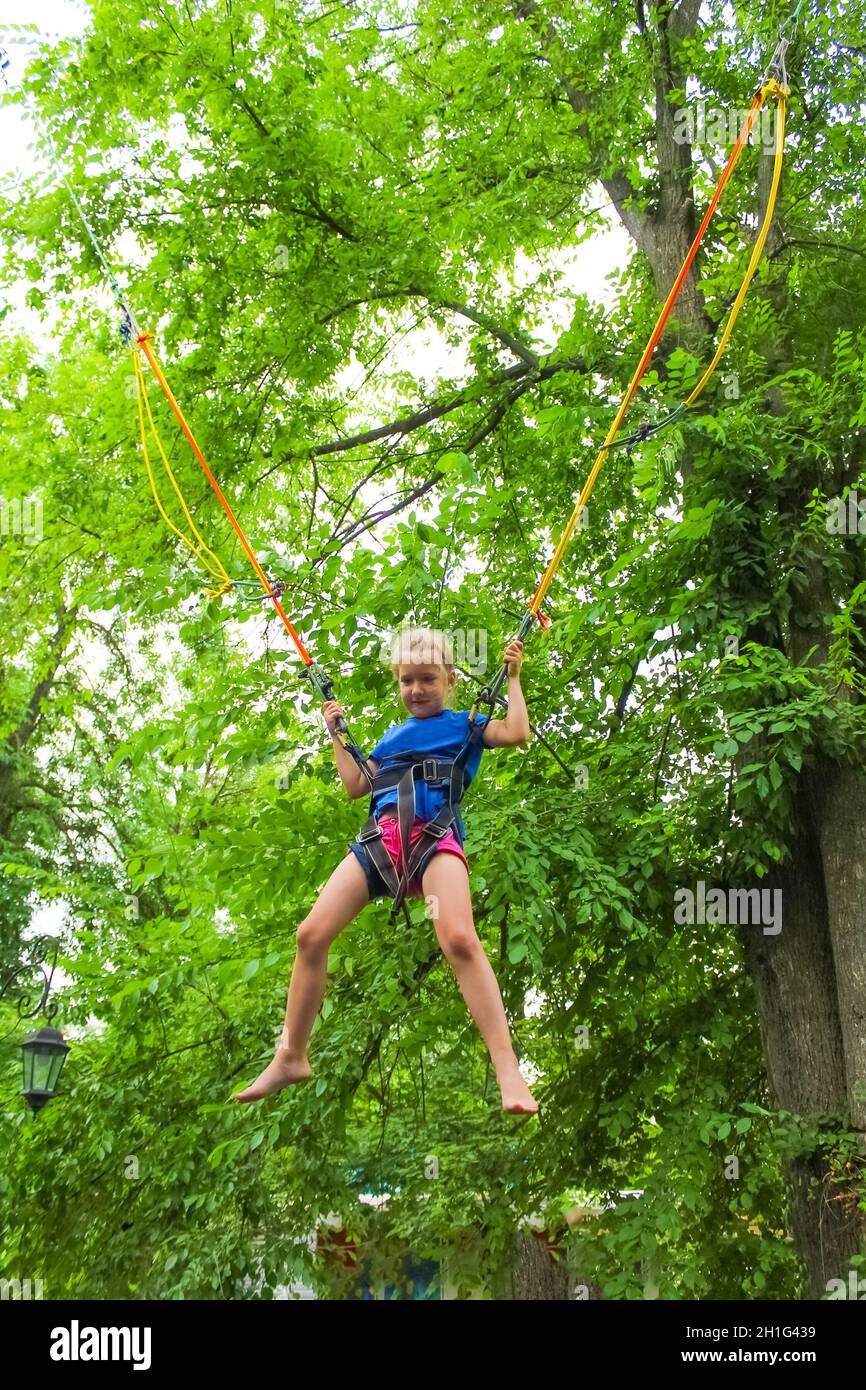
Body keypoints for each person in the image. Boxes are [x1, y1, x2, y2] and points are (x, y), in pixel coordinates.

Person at [235, 626, 538, 1114]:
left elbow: (517, 732)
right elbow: (357, 784)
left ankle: (508, 1070)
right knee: (310, 935)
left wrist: (515, 678)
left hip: (434, 842)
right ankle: (291, 1054)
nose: (416, 689)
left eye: (427, 679)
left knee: (459, 938)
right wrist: (336, 734)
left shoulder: (468, 723)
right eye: (406, 681)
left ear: (450, 680)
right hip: (381, 844)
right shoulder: (391, 737)